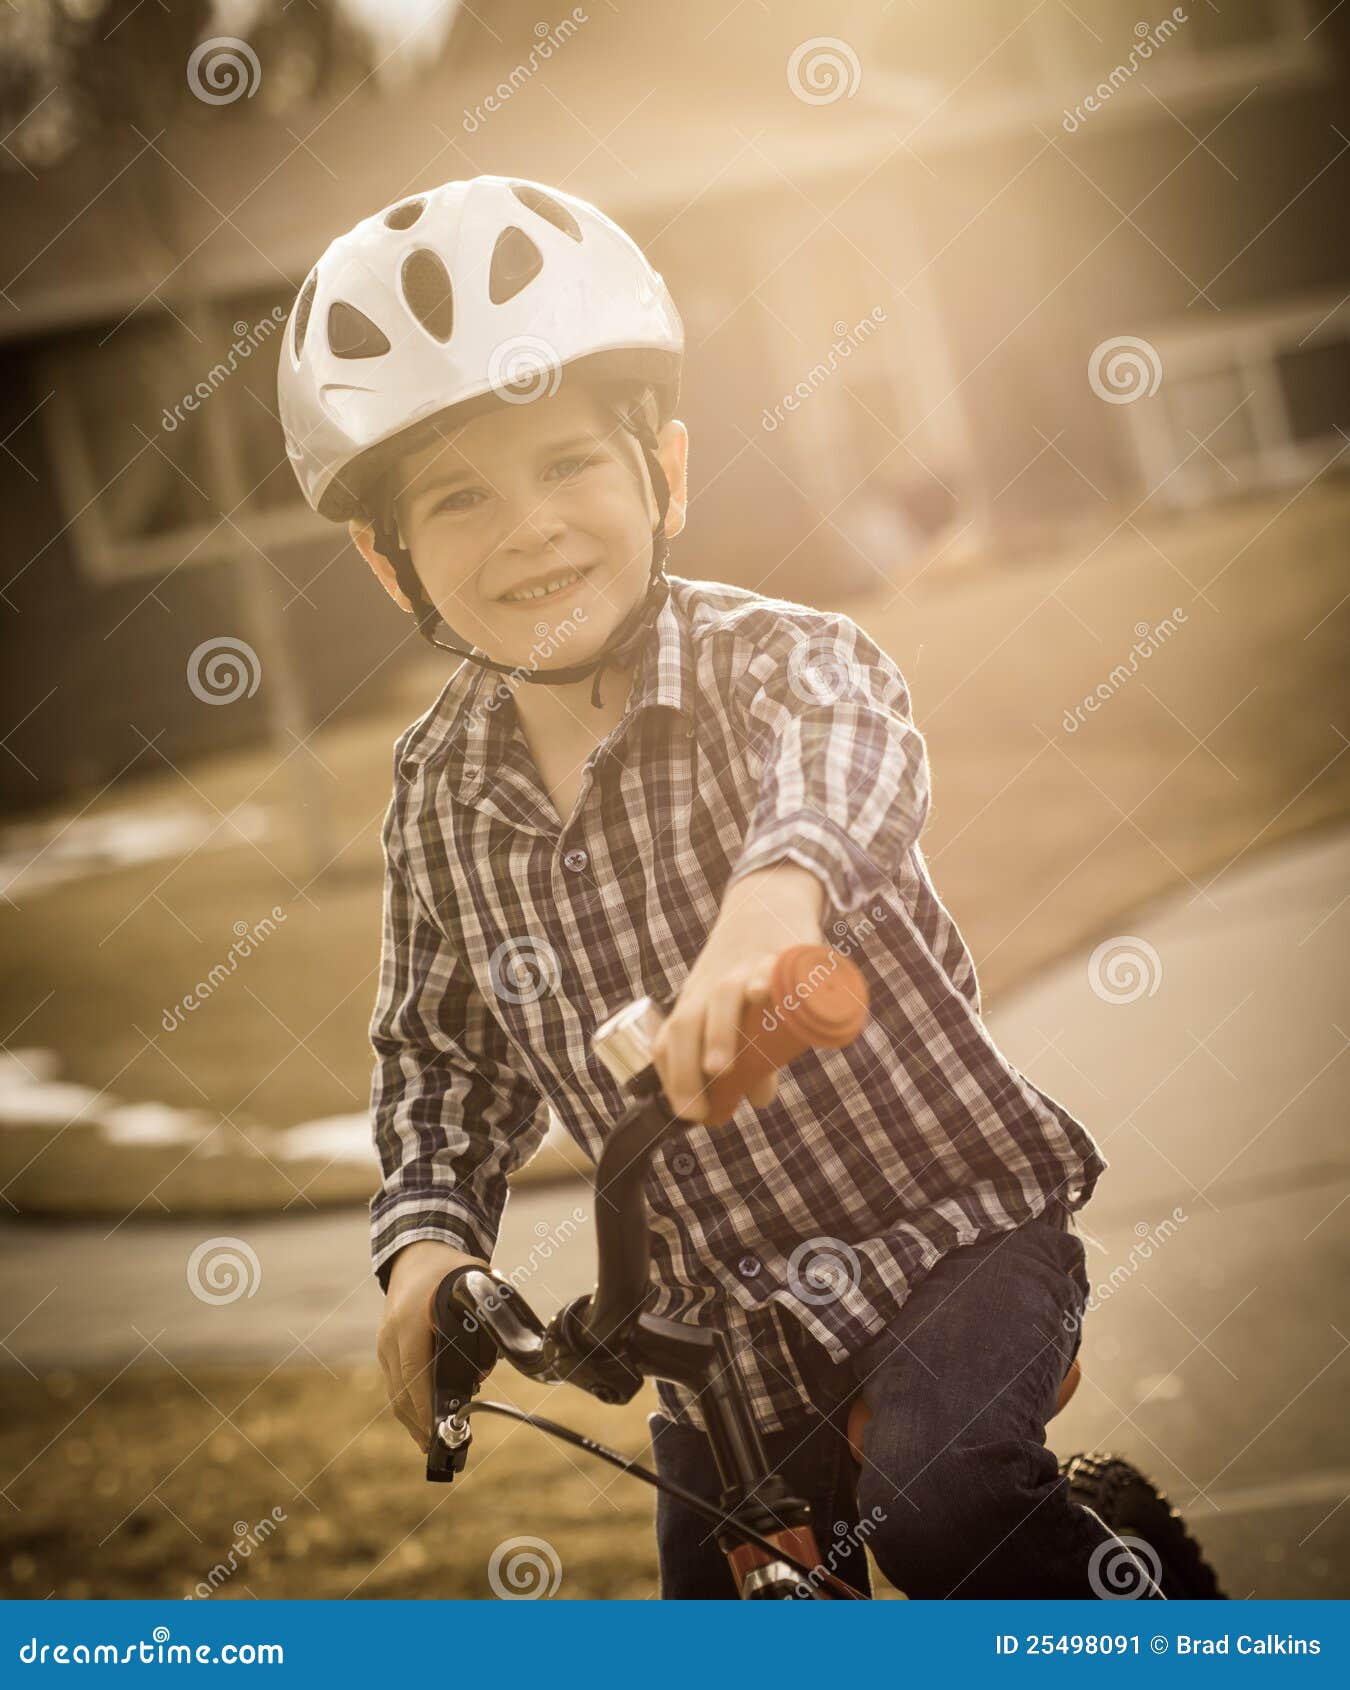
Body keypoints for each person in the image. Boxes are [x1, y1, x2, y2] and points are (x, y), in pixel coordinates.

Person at [277, 174, 1136, 1599]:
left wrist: (775, 898)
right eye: (460, 495)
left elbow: (849, 747)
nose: (529, 527)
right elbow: (438, 1058)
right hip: (712, 1343)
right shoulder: (439, 798)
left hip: (950, 1242)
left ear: (663, 473)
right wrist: (427, 1246)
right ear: (389, 560)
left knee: (938, 1503)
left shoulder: (773, 665)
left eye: (568, 464)